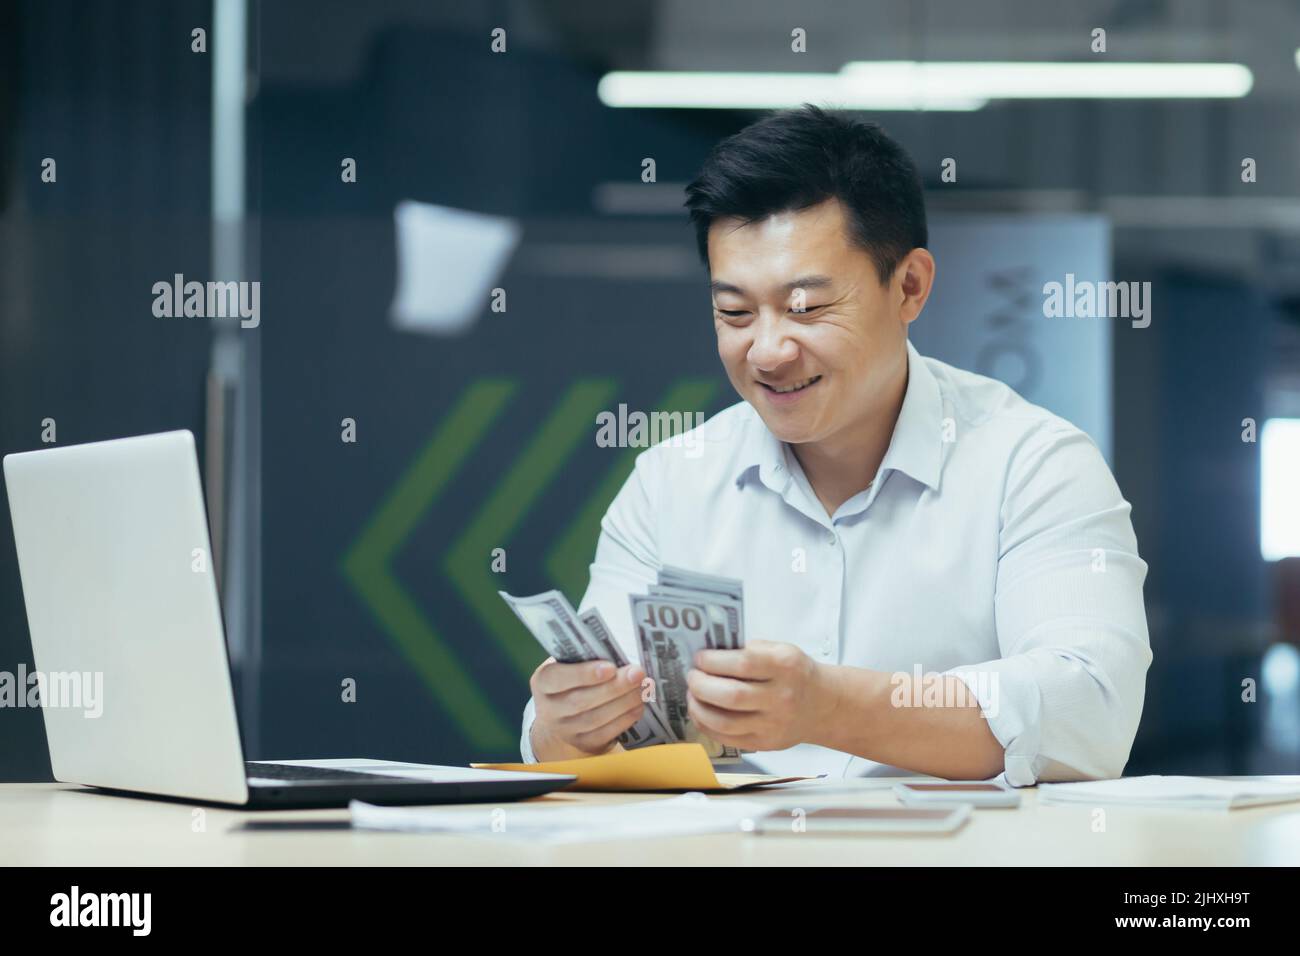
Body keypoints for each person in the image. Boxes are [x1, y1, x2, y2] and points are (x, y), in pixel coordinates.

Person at [521, 105, 1151, 784]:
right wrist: (565, 726)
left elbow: (1090, 710)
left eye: (806, 308)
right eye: (733, 312)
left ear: (909, 286)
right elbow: (572, 751)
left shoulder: (1034, 466)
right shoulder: (671, 482)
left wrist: (830, 708)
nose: (766, 350)